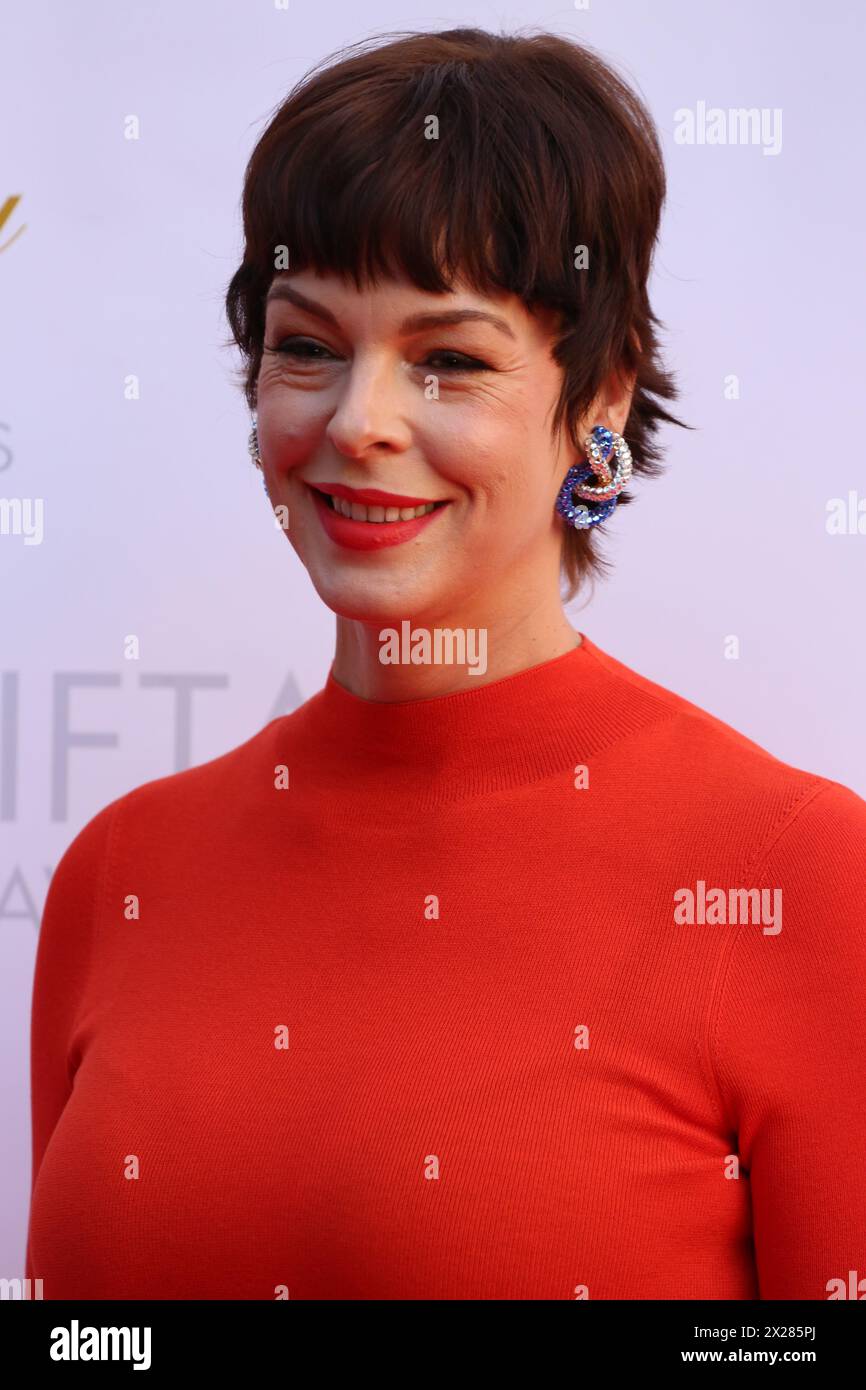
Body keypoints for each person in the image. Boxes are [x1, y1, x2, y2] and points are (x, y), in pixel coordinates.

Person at [26, 27, 866, 1300]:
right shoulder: (116, 877)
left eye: (449, 360)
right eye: (306, 345)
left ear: (597, 399)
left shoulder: (794, 875)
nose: (357, 421)